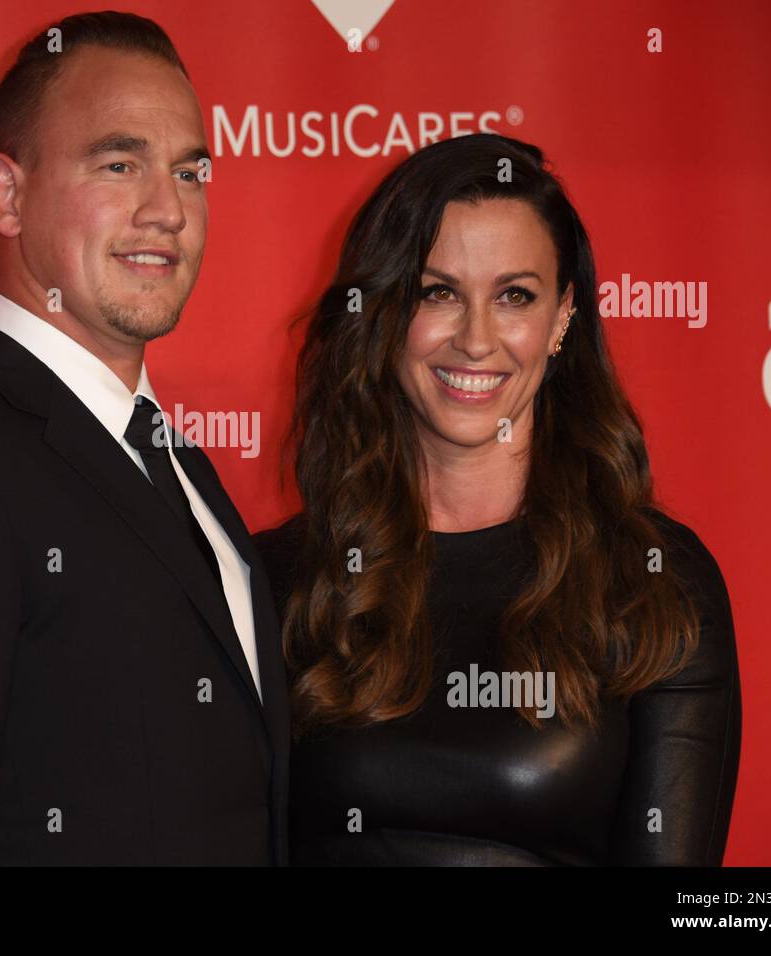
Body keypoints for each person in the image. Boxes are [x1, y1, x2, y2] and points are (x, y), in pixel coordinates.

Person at [0, 11, 289, 865]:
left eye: (190, 170)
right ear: (6, 195)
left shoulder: (176, 462)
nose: (168, 209)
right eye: (118, 163)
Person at [254, 133, 741, 866]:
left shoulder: (654, 582)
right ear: (383, 313)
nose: (476, 340)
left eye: (515, 296)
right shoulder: (282, 577)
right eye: (437, 292)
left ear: (563, 318)